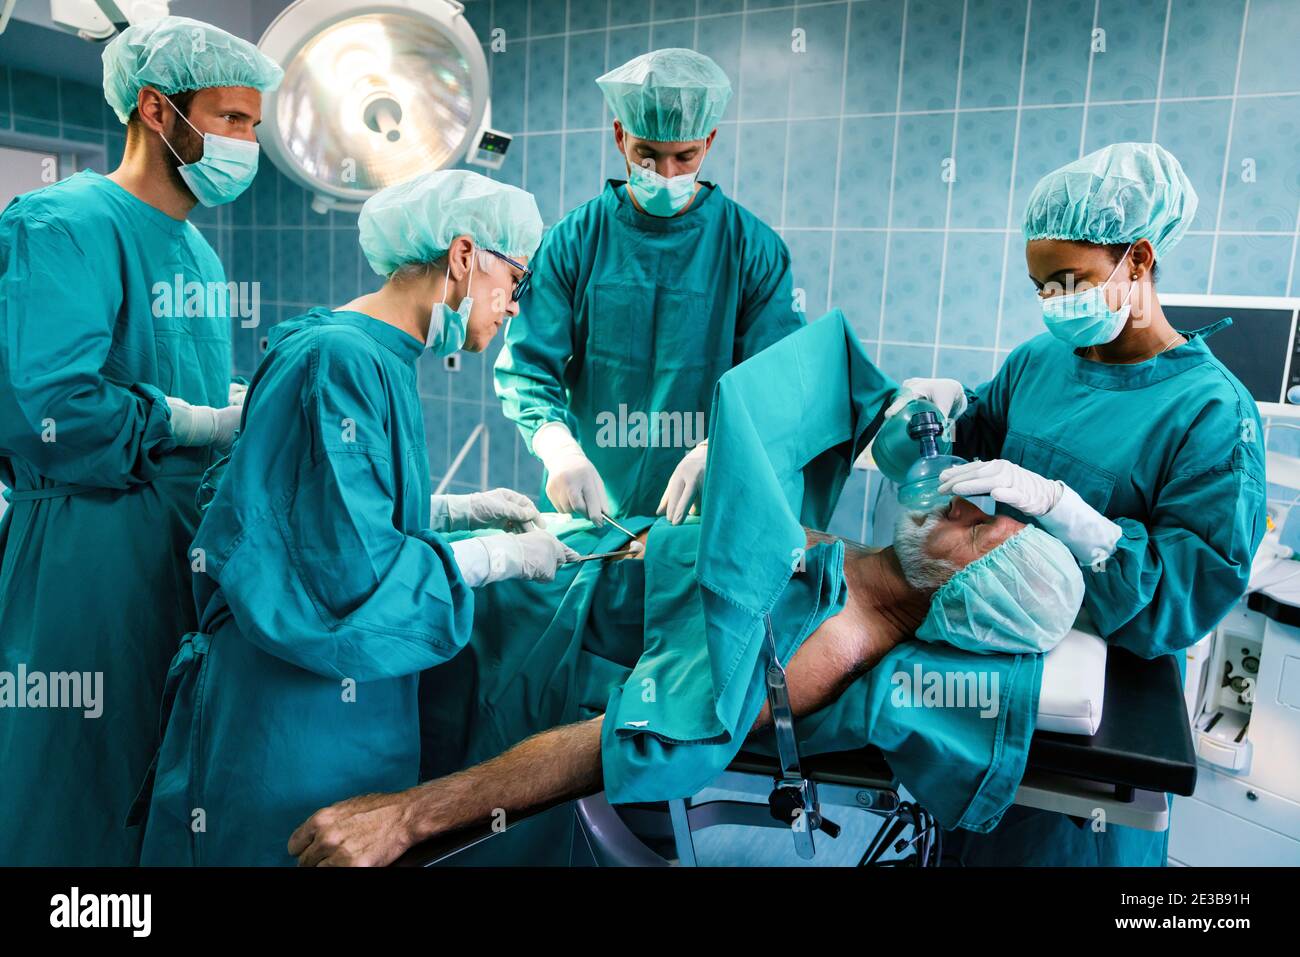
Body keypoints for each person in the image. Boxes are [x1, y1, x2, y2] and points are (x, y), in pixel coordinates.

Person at [133, 170, 578, 866]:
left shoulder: (379, 355)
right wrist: (497, 556)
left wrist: (454, 509)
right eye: (516, 281)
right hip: (294, 719)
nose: (515, 307)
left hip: (348, 707)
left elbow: (315, 504)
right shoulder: (338, 357)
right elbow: (346, 572)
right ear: (464, 257)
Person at [287, 498, 1084, 866]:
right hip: (561, 556)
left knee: (315, 657)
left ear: (958, 587)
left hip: (524, 634)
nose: (958, 501)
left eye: (976, 526)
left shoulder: (819, 645)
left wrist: (407, 819)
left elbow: (619, 745)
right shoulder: (858, 569)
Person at [900, 142, 1268, 865]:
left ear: (1137, 258)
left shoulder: (1212, 413)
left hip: (1099, 712)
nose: (1052, 303)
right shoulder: (1040, 361)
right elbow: (967, 443)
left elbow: (1182, 603)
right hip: (998, 672)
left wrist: (1068, 513)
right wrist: (930, 413)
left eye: (1070, 280)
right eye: (1040, 286)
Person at [0, 15, 282, 865]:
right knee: (68, 790)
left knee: (156, 789)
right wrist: (191, 420)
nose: (247, 143)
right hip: (84, 562)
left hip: (175, 556)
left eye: (254, 126)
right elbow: (47, 406)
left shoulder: (200, 255)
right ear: (158, 111)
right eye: (232, 119)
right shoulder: (61, 223)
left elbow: (184, 381)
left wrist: (232, 405)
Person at [494, 48, 803, 526]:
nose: (666, 174)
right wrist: (557, 449)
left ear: (709, 142)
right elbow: (528, 368)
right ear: (620, 136)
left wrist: (716, 450)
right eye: (648, 154)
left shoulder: (751, 248)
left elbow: (773, 378)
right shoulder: (574, 241)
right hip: (593, 503)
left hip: (704, 506)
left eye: (685, 156)